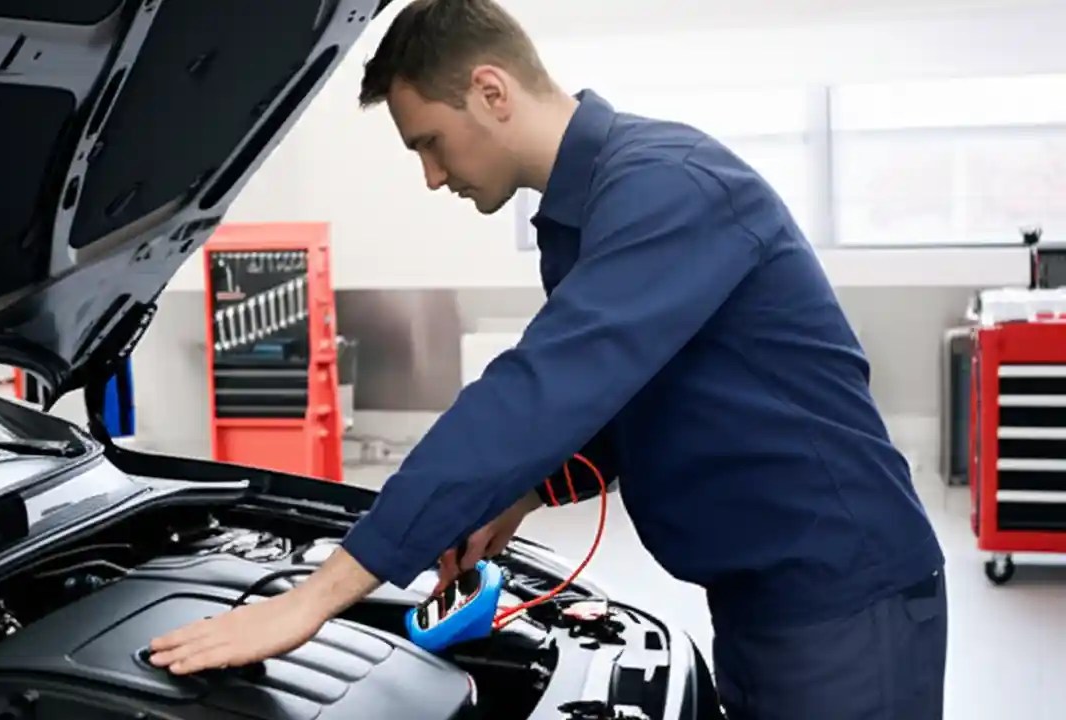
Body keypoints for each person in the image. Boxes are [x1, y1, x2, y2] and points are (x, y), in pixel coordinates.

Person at [148, 0, 948, 716]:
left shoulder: (669, 186)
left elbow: (539, 392)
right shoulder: (584, 216)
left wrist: (320, 595)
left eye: (429, 142)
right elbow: (621, 405)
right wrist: (521, 495)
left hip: (843, 597)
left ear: (492, 92)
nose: (430, 177)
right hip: (760, 596)